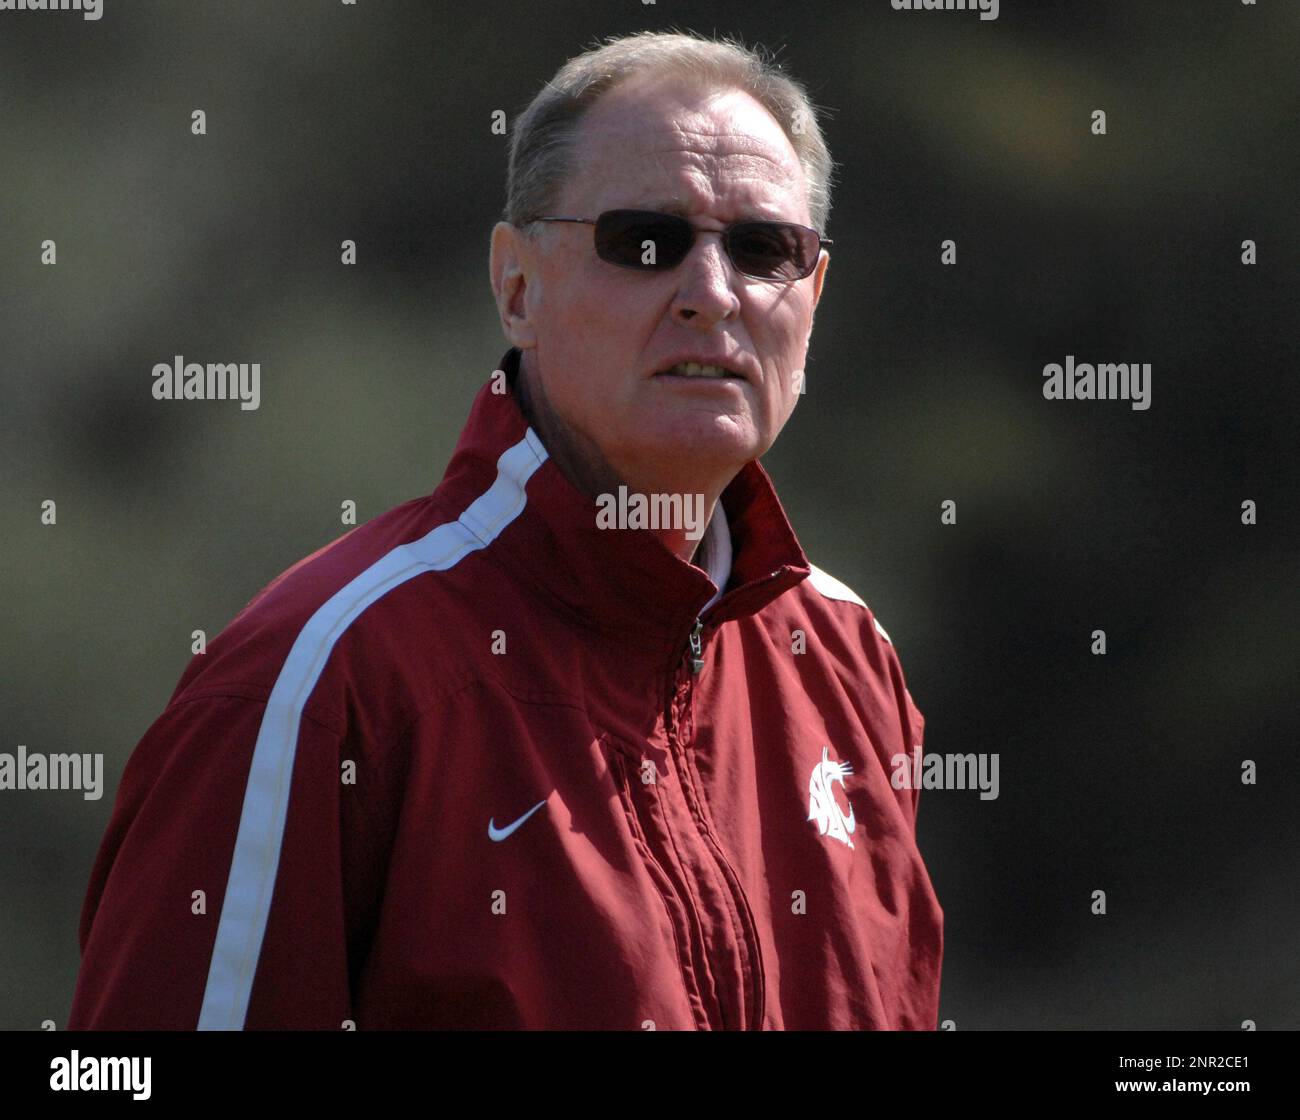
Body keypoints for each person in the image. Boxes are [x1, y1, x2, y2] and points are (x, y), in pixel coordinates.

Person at [68, 28, 942, 1031]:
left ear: (811, 299)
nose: (711, 294)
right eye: (643, 243)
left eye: (761, 249)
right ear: (517, 287)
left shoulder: (845, 658)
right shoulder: (322, 680)